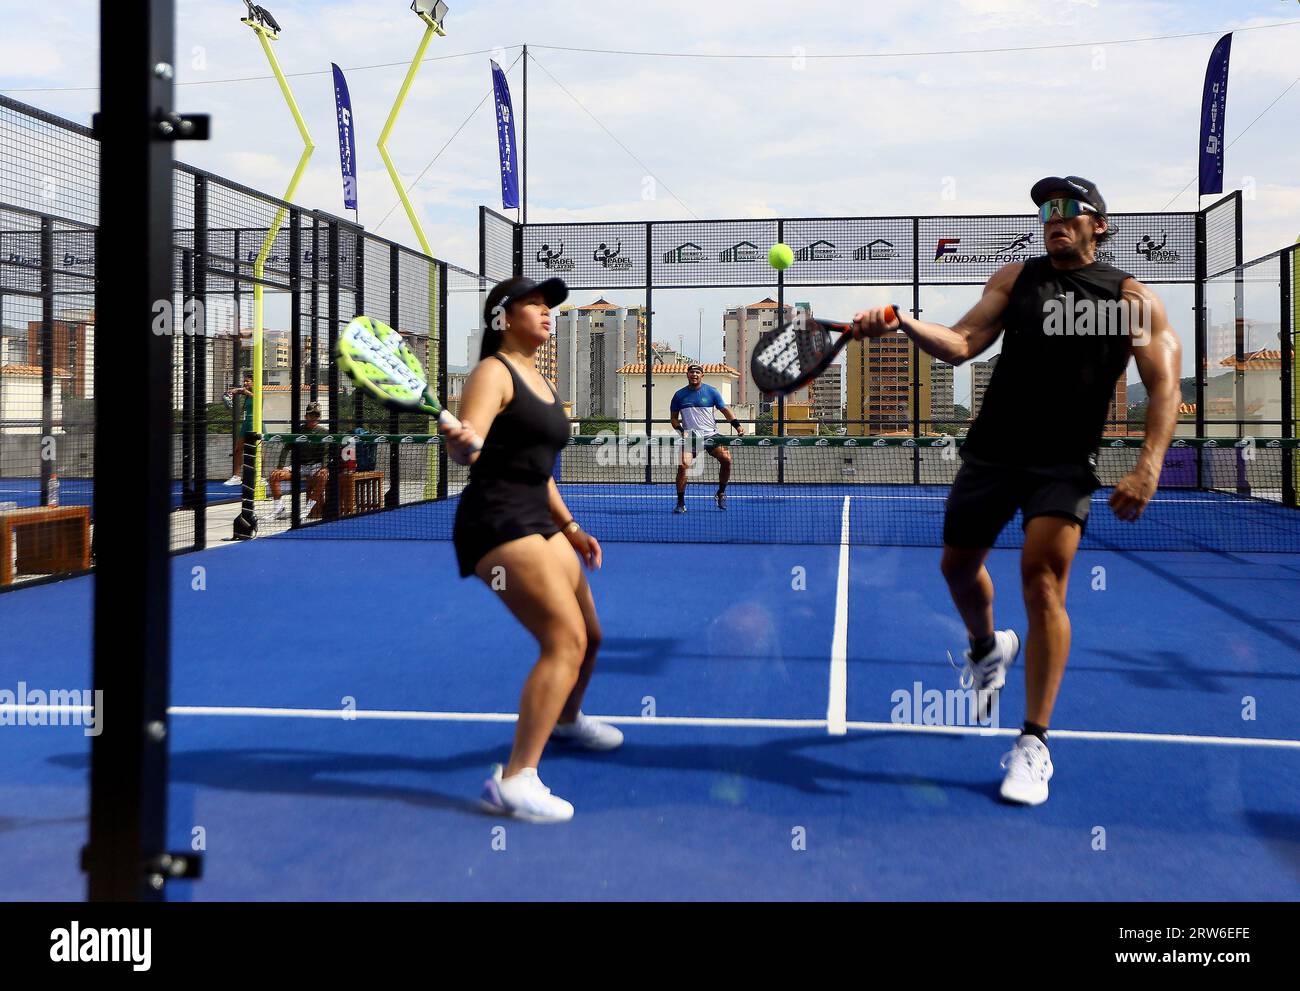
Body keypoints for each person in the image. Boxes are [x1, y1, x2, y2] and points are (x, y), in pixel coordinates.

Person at [851, 175, 1181, 805]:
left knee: (1043, 580)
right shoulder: (1015, 278)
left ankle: (1034, 742)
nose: (1054, 217)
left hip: (1063, 463)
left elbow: (1164, 384)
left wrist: (1149, 466)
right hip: (992, 452)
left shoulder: (1131, 298)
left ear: (1097, 224)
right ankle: (986, 647)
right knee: (957, 568)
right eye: (1046, 209)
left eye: (1068, 208)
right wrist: (901, 321)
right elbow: (962, 344)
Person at [443, 275, 617, 824]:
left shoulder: (539, 377)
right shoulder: (493, 372)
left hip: (538, 517)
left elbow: (540, 470)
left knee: (590, 636)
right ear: (503, 317)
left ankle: (564, 719)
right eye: (535, 304)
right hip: (496, 520)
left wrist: (571, 527)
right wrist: (462, 444)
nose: (547, 313)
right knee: (563, 640)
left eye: (549, 306)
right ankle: (514, 781)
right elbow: (469, 443)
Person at [669, 363, 744, 513]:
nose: (694, 375)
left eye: (697, 372)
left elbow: (725, 410)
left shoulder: (712, 391)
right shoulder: (679, 395)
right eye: (691, 372)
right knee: (683, 466)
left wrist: (738, 426)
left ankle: (721, 493)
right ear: (687, 375)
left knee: (726, 459)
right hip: (691, 438)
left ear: (702, 375)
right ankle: (680, 503)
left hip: (711, 435)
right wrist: (681, 431)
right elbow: (674, 419)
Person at [268, 402, 328, 520]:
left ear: (319, 417)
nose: (313, 418)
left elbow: (326, 452)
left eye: (316, 415)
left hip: (316, 466)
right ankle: (279, 509)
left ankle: (307, 509)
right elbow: (286, 448)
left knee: (323, 476)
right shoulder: (298, 430)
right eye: (311, 415)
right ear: (306, 416)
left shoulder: (324, 432)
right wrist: (280, 466)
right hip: (299, 466)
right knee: (274, 475)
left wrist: (324, 467)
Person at [224, 374, 254, 485]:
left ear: (254, 382)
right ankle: (236, 476)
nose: (245, 383)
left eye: (247, 381)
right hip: (246, 423)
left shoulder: (258, 393)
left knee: (259, 451)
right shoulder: (246, 394)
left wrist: (246, 392)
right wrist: (230, 392)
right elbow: (239, 390)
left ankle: (260, 477)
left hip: (255, 423)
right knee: (238, 449)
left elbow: (258, 398)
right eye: (244, 381)